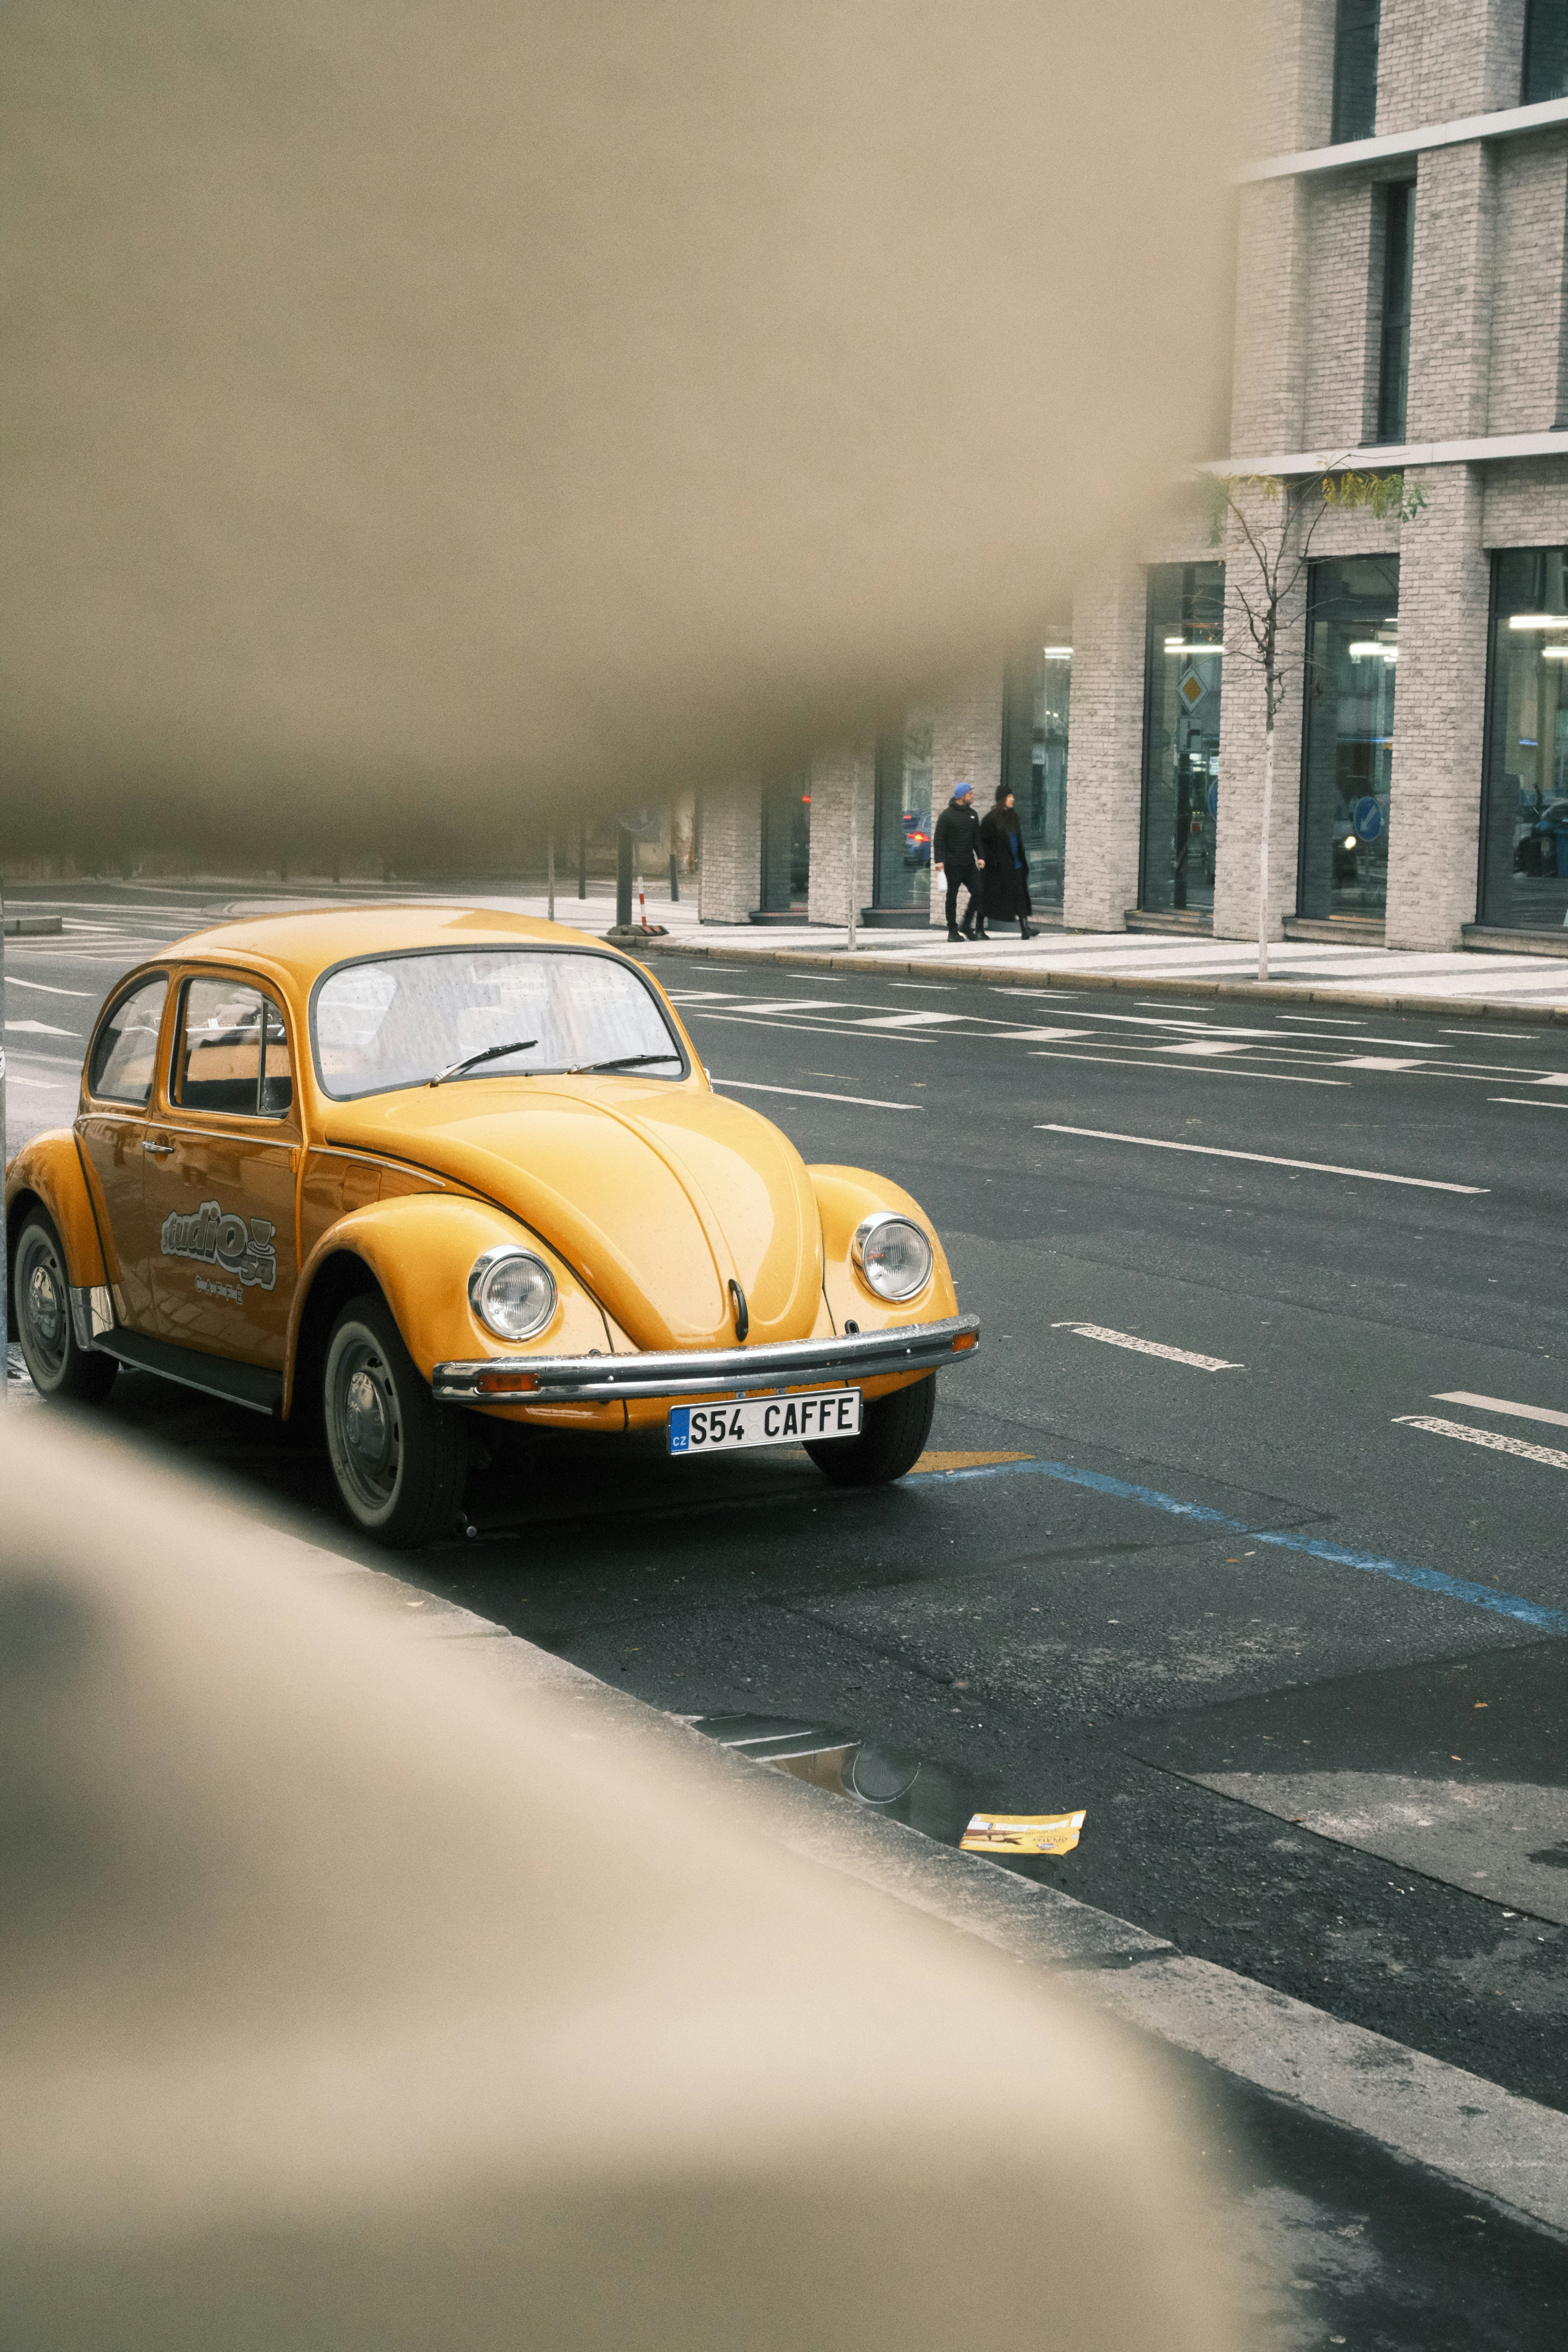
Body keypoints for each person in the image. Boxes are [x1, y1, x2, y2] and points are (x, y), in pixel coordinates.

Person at [980, 782, 1037, 940]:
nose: (1013, 799)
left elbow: (1018, 841)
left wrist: (1022, 861)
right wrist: (991, 861)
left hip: (1016, 864)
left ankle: (1025, 929)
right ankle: (979, 928)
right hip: (999, 867)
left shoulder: (1013, 817)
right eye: (1010, 796)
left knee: (1021, 895)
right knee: (988, 896)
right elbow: (983, 843)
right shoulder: (990, 820)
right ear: (1003, 799)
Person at [932, 780, 986, 940]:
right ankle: (953, 931)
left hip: (969, 863)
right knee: (952, 898)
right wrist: (939, 860)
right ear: (962, 796)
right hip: (952, 864)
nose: (973, 796)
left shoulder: (973, 814)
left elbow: (977, 838)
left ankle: (966, 925)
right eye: (970, 794)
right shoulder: (947, 816)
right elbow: (939, 840)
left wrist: (981, 857)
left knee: (979, 892)